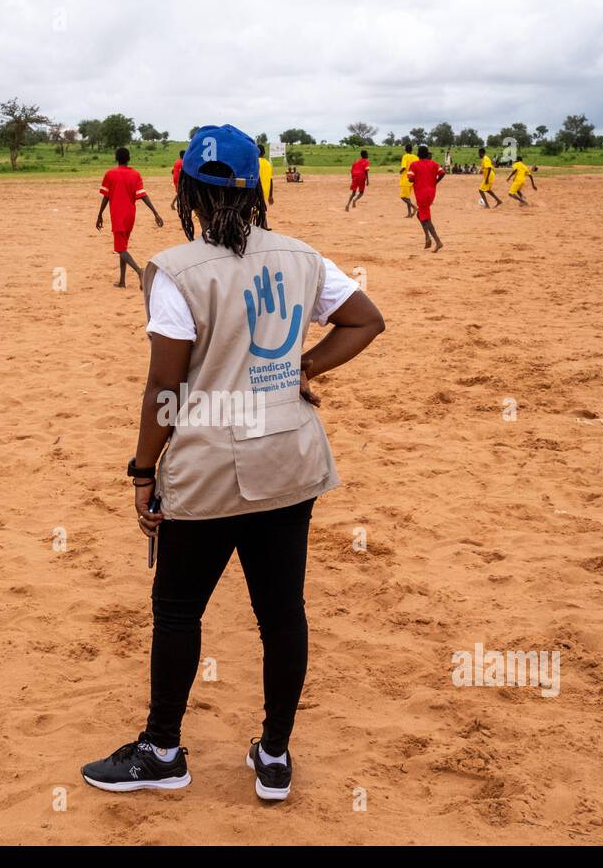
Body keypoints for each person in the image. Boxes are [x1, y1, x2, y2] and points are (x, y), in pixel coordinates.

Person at [80, 124, 385, 801]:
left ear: (186, 188)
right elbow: (366, 320)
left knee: (179, 607)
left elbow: (164, 387)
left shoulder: (178, 271)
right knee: (282, 613)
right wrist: (303, 366)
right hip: (291, 458)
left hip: (211, 465)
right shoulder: (304, 257)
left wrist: (140, 472)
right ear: (256, 190)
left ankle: (163, 750)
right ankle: (274, 756)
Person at [96, 147, 164, 288]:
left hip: (118, 215)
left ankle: (140, 271)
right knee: (123, 247)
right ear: (129, 158)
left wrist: (100, 214)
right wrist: (155, 212)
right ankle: (122, 281)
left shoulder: (110, 174)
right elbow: (143, 195)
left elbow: (106, 197)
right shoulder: (135, 174)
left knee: (120, 248)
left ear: (116, 158)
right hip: (130, 215)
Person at [407, 145, 446, 251]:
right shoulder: (434, 164)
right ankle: (427, 238)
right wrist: (435, 182)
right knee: (420, 215)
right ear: (427, 154)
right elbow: (442, 172)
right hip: (431, 193)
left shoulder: (414, 165)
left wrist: (411, 177)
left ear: (418, 154)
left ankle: (437, 241)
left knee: (426, 219)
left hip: (421, 194)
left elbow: (410, 179)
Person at [257, 143, 275, 229]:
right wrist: (270, 195)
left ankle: (261, 226)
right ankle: (264, 225)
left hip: (256, 190)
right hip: (266, 192)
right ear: (264, 153)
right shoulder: (268, 164)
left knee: (256, 209)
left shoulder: (255, 162)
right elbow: (271, 180)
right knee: (261, 209)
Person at [398, 142, 418, 217]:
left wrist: (400, 171)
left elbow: (403, 167)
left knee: (403, 196)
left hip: (406, 179)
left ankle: (414, 207)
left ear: (406, 149)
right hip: (413, 179)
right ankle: (409, 213)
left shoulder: (405, 156)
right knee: (407, 197)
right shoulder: (415, 157)